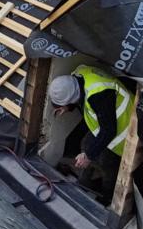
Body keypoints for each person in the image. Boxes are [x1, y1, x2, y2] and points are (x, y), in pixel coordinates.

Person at [48, 64, 135, 203]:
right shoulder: (79, 74)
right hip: (109, 124)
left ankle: (107, 198)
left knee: (109, 163)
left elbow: (108, 131)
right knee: (86, 143)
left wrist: (88, 155)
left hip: (127, 132)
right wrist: (66, 106)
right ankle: (85, 180)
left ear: (71, 98)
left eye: (63, 104)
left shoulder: (98, 95)